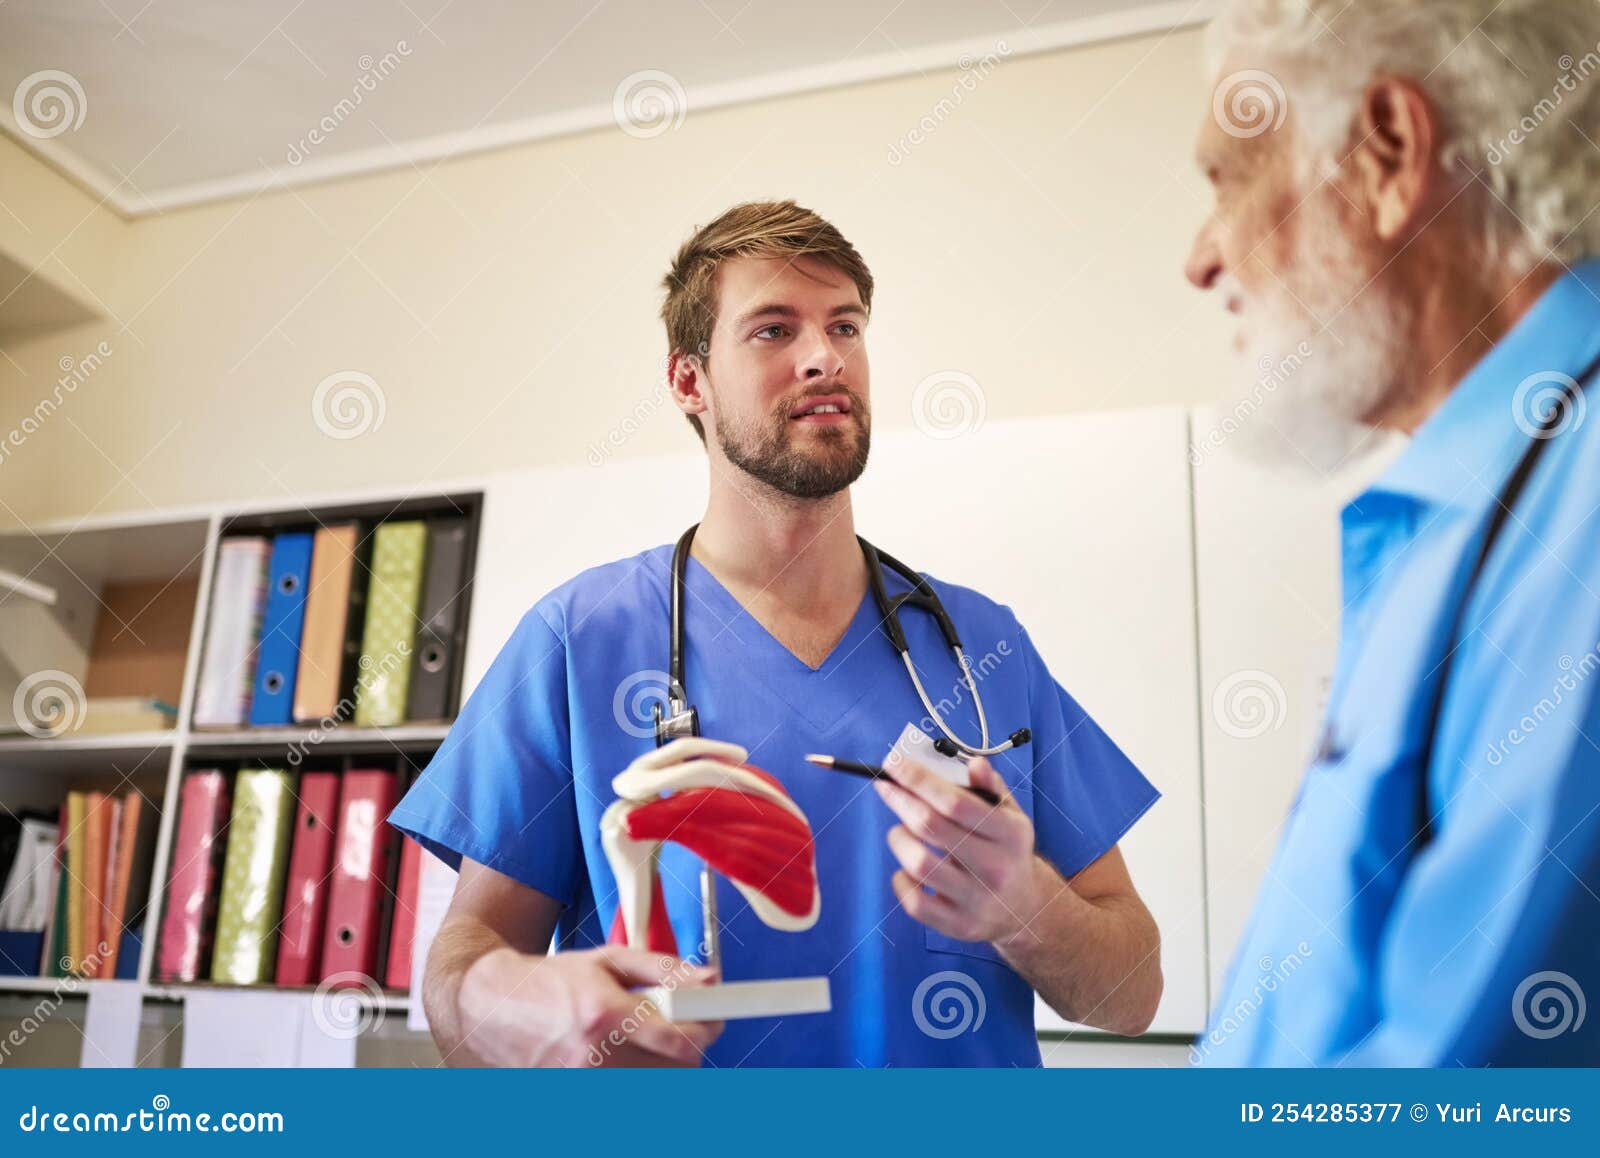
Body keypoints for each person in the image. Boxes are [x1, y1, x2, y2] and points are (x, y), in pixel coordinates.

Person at [389, 200, 1162, 1067]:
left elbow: (1133, 994)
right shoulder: (580, 639)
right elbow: (460, 973)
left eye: (845, 326)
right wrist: (505, 1000)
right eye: (773, 330)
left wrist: (1029, 907)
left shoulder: (983, 648)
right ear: (690, 381)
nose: (825, 356)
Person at [1187, 0, 1600, 1065]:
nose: (1201, 258)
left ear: (1385, 152)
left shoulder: (1580, 512)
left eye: (1226, 179)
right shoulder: (1466, 507)